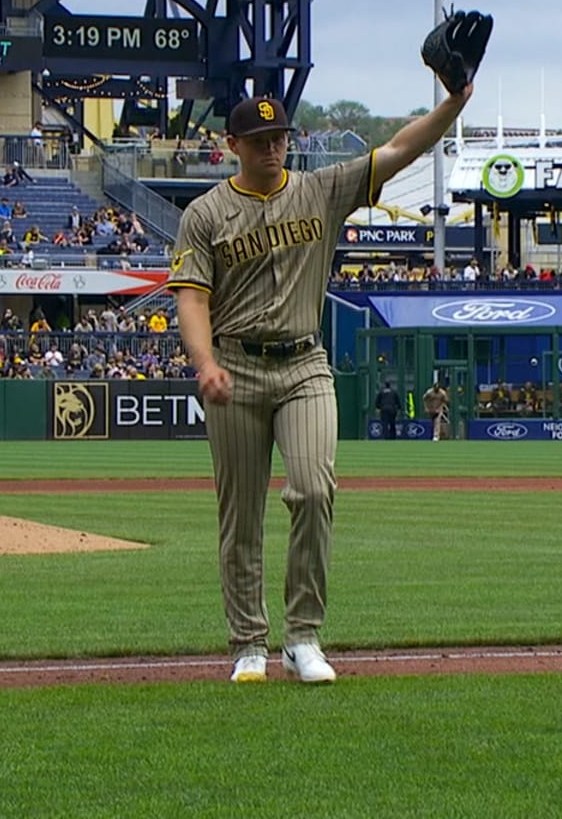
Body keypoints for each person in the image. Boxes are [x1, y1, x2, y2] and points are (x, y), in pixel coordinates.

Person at [168, 85, 473, 685]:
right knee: (241, 515)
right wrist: (204, 363)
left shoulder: (319, 189)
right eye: (259, 141)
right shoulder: (204, 214)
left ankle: (302, 637)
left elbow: (397, 152)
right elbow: (190, 298)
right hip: (235, 363)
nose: (273, 148)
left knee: (312, 489)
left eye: (280, 137)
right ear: (232, 146)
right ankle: (249, 643)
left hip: (304, 364)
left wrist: (453, 105)